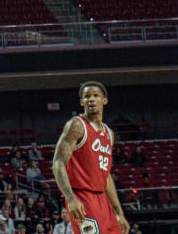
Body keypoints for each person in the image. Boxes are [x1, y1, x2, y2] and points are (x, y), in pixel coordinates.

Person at [52, 82, 129, 234]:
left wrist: (119, 212)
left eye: (95, 95)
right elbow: (58, 163)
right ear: (81, 102)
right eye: (86, 97)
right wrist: (71, 198)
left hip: (102, 199)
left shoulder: (109, 133)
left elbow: (105, 177)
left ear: (104, 100)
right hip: (82, 197)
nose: (91, 99)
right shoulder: (77, 125)